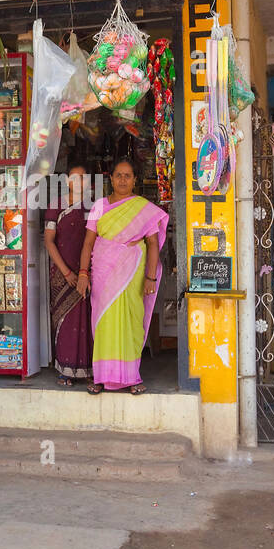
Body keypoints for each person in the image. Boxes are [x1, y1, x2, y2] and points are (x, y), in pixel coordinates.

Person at [76, 158, 169, 395]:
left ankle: (131, 377)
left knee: (130, 321)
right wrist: (83, 273)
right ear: (111, 178)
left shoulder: (143, 208)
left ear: (135, 180)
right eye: (119, 175)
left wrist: (150, 278)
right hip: (103, 271)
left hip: (133, 271)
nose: (123, 180)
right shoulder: (99, 206)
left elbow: (152, 244)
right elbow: (87, 242)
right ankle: (101, 378)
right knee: (103, 321)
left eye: (128, 176)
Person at [44, 164, 93, 386]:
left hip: (87, 271)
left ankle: (88, 368)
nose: (79, 181)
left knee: (87, 319)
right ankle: (65, 369)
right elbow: (48, 241)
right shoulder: (56, 205)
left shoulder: (92, 207)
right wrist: (66, 273)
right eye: (75, 177)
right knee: (65, 320)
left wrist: (85, 272)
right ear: (66, 181)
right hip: (62, 273)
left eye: (83, 178)